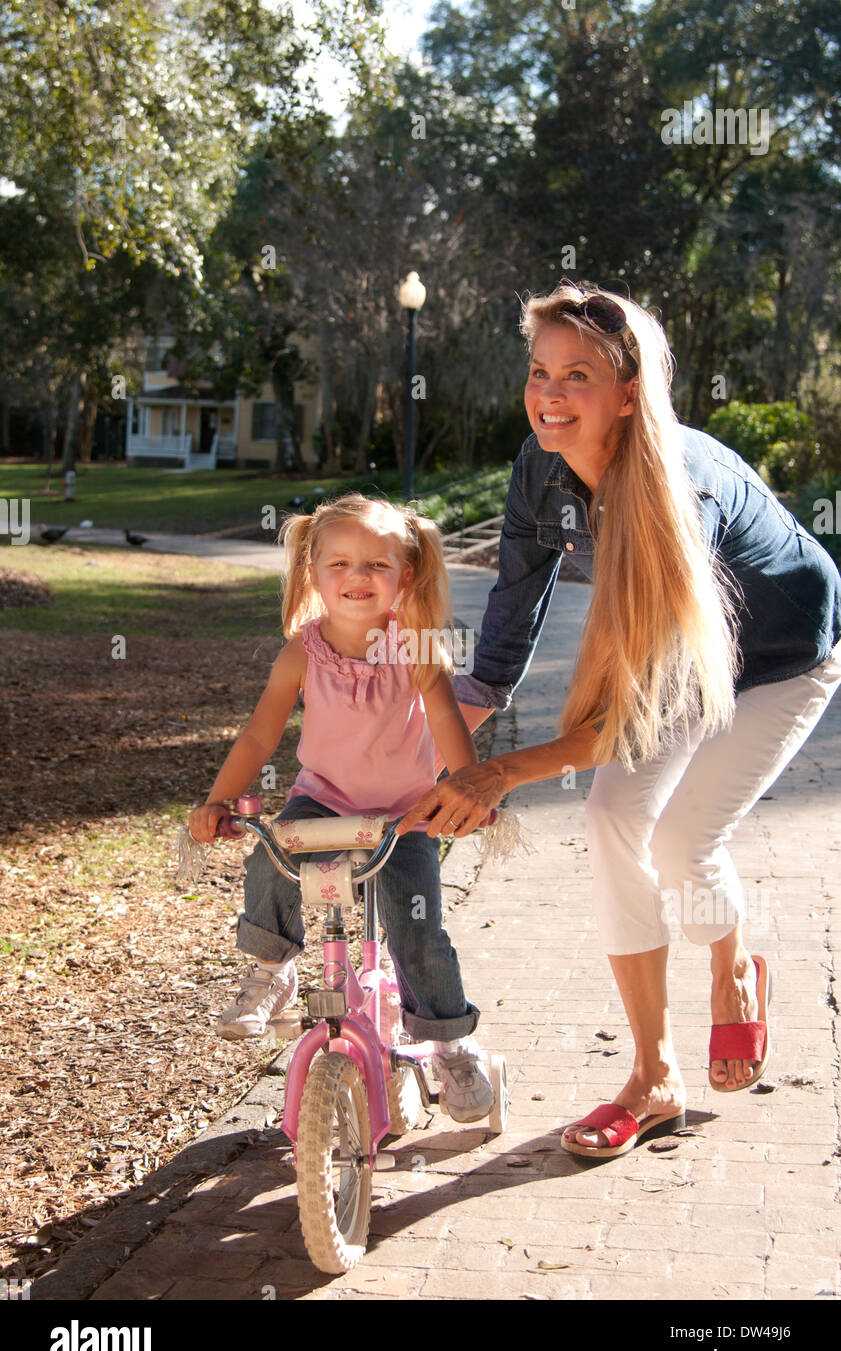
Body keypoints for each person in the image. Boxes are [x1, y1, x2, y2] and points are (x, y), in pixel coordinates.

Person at [397, 281, 841, 1158]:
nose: (549, 396)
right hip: (677, 665)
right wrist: (418, 746)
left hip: (785, 661)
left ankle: (731, 973)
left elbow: (648, 706)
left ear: (630, 391)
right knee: (608, 816)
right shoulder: (537, 470)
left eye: (578, 376)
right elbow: (504, 637)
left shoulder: (681, 497)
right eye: (537, 373)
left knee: (682, 842)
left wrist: (502, 774)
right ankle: (653, 1076)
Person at [188, 493, 495, 1122]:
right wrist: (219, 800)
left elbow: (445, 723)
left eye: (378, 566)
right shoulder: (301, 653)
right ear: (312, 573)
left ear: (405, 575)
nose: (358, 578)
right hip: (323, 800)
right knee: (273, 857)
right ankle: (273, 970)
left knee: (419, 930)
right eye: (340, 564)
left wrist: (468, 787)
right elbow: (259, 736)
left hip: (406, 811)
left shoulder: (417, 648)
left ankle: (448, 1041)